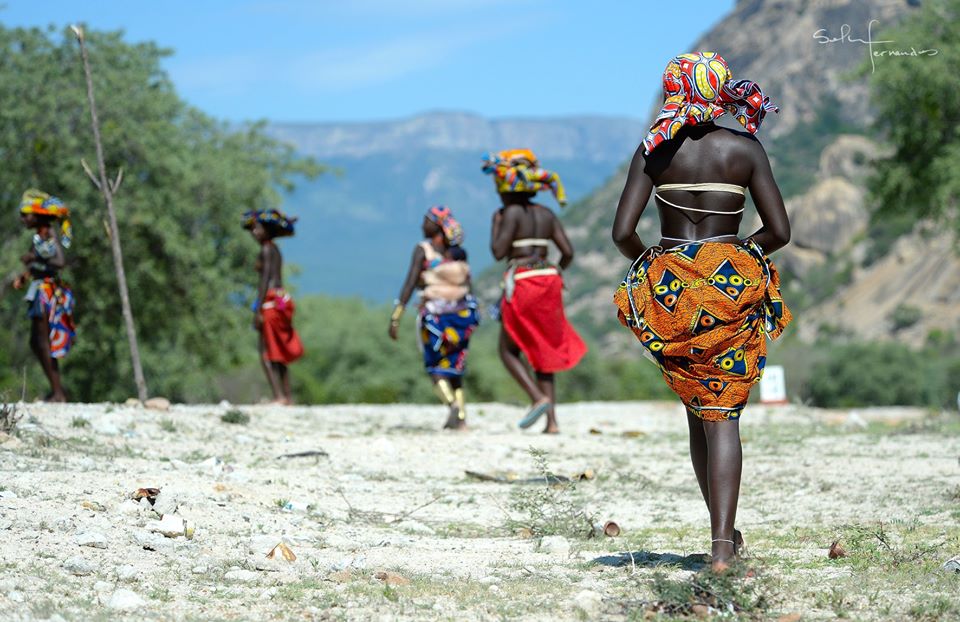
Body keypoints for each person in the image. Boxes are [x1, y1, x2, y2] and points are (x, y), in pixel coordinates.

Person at [611, 52, 792, 572]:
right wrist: (738, 256)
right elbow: (779, 232)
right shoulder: (744, 149)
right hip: (729, 288)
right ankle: (722, 548)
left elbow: (623, 233)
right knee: (724, 415)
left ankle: (724, 535)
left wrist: (653, 264)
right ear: (717, 90)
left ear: (675, 89)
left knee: (698, 412)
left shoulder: (654, 150)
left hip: (671, 291)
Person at [483, 149, 587, 433]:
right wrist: (555, 272)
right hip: (550, 280)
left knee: (507, 350)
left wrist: (497, 223)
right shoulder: (546, 214)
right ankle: (552, 422)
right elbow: (568, 252)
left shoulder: (509, 213)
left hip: (523, 280)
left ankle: (536, 397)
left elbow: (498, 252)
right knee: (544, 349)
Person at [389, 206, 480, 430]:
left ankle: (452, 406)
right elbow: (468, 284)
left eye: (426, 221)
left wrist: (396, 316)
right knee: (456, 366)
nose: (422, 225)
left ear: (437, 226)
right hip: (461, 318)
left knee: (435, 365)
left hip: (435, 320)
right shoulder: (459, 254)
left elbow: (410, 283)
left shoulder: (423, 250)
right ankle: (461, 419)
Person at [13, 190, 76, 402]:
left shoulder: (49, 233)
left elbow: (59, 262)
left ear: (37, 215)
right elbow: (37, 264)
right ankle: (57, 390)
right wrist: (25, 275)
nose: (23, 219)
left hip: (46, 294)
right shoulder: (38, 236)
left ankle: (58, 393)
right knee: (36, 342)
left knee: (42, 342)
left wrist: (34, 259)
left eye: (25, 214)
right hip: (38, 290)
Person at [243, 209, 303, 405]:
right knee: (278, 350)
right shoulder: (275, 249)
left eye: (257, 228)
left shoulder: (266, 250)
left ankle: (278, 396)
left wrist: (258, 310)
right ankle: (287, 397)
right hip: (280, 301)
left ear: (267, 230)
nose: (254, 233)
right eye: (252, 229)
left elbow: (265, 280)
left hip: (269, 303)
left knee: (265, 351)